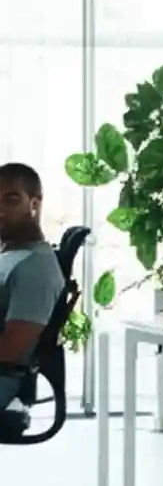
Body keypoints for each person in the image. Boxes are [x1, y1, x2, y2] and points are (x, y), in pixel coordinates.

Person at [0, 164, 64, 411]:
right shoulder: (12, 254)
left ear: (34, 205)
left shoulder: (36, 268)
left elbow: (11, 349)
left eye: (11, 200)